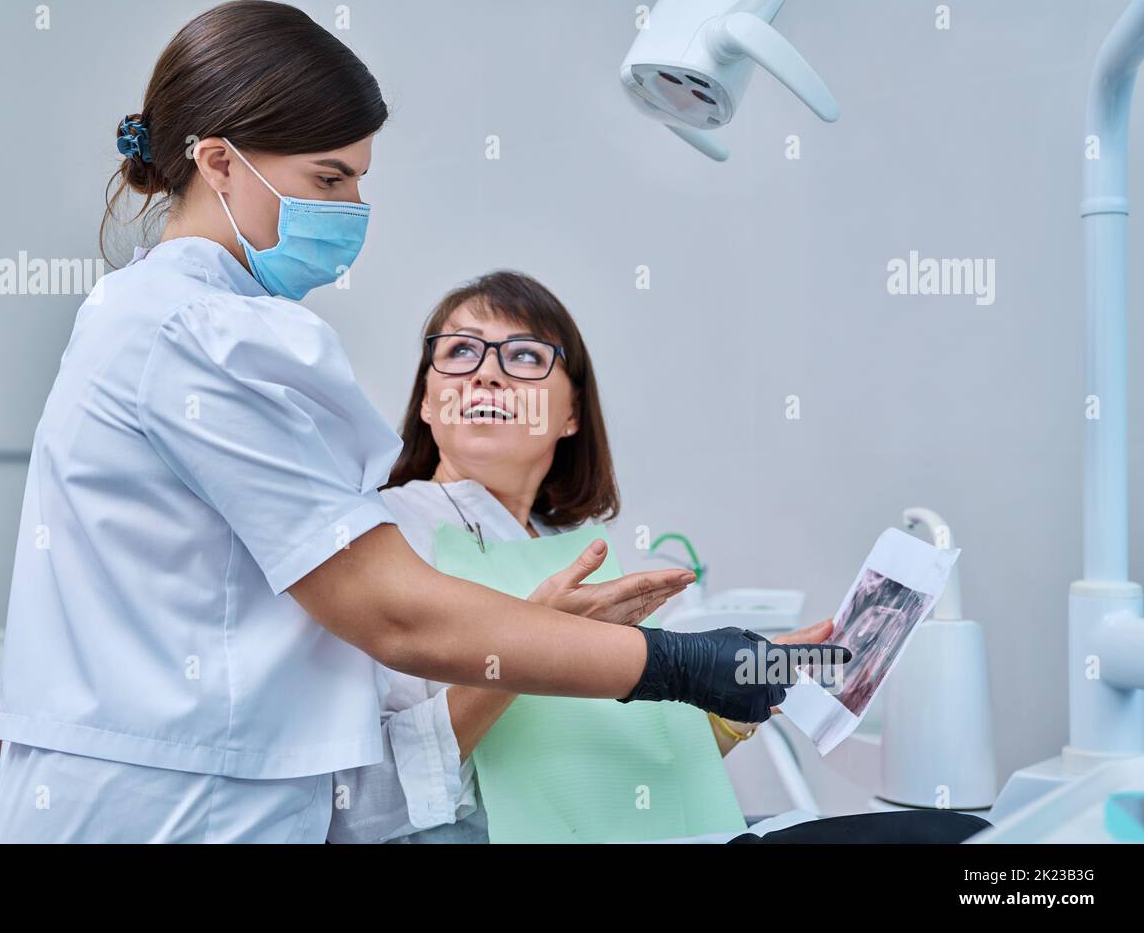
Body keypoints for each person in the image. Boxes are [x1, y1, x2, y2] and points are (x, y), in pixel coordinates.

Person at [0, 0, 840, 844]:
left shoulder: (186, 320)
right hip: (162, 805)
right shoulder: (197, 330)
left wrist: (704, 701)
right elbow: (399, 620)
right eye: (328, 178)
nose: (353, 208)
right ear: (218, 162)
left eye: (357, 179)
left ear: (576, 411)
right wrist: (679, 669)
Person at [328, 271, 989, 845]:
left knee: (966, 835)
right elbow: (357, 807)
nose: (487, 370)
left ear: (572, 415)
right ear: (426, 398)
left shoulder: (558, 547)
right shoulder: (382, 538)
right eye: (460, 352)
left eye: (525, 356)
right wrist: (530, 644)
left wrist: (731, 709)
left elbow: (596, 765)